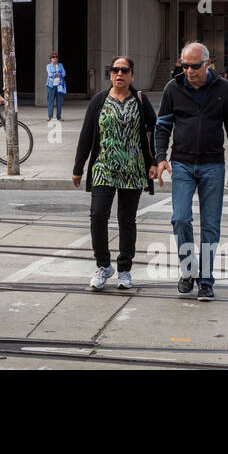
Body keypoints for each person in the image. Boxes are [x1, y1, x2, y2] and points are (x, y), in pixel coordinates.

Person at [153, 42, 228, 302]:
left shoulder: (223, 89)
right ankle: (187, 270)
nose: (189, 71)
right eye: (185, 65)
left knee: (210, 226)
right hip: (181, 163)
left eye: (194, 66)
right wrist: (160, 158)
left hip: (213, 165)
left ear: (208, 64)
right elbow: (162, 127)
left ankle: (205, 280)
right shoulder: (173, 88)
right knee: (180, 218)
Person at [73, 55, 157, 291]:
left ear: (132, 75)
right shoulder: (99, 100)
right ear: (110, 74)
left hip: (133, 169)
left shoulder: (140, 100)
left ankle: (124, 270)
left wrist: (155, 161)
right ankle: (103, 266)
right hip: (103, 168)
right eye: (115, 70)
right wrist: (78, 168)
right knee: (98, 215)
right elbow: (87, 134)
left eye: (124, 70)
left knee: (126, 220)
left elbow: (156, 128)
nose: (119, 74)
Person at [45, 52, 67, 121]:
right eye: (53, 57)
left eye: (56, 57)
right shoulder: (48, 66)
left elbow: (64, 73)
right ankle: (50, 116)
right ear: (51, 59)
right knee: (50, 101)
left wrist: (57, 74)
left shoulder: (60, 65)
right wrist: (57, 74)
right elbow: (50, 75)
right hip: (51, 86)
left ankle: (59, 116)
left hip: (59, 86)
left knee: (59, 101)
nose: (55, 59)